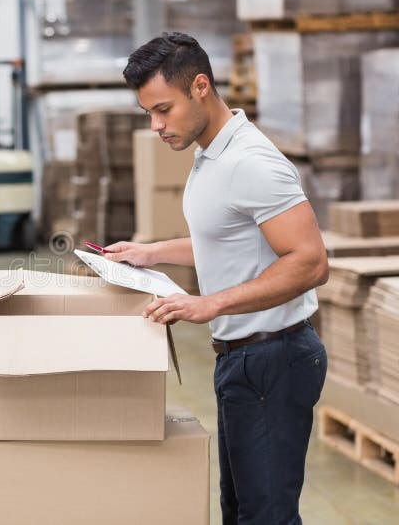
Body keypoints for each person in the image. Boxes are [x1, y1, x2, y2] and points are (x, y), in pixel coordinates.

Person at [104, 33, 329, 525]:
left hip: (274, 358)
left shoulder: (251, 162)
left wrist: (211, 303)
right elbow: (224, 238)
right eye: (148, 113)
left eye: (163, 109)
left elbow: (310, 262)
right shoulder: (210, 154)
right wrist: (153, 252)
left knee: (265, 516)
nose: (157, 125)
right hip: (243, 359)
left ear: (200, 86)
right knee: (241, 511)